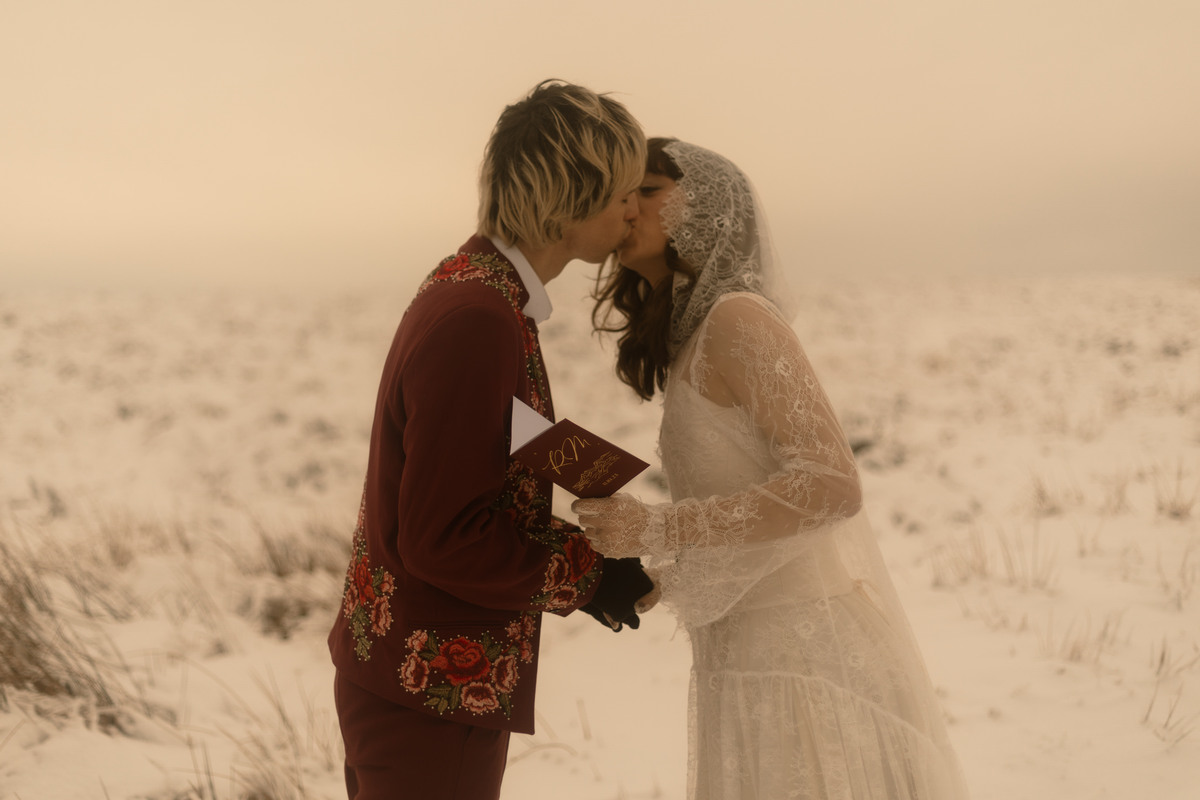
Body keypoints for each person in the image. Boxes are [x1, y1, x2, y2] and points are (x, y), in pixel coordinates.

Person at [574, 138, 969, 799]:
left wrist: (657, 530)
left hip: (807, 668)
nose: (627, 208)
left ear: (709, 209)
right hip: (746, 660)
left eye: (647, 190)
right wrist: (663, 579)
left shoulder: (737, 319)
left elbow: (831, 484)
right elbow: (751, 500)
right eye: (621, 193)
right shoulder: (690, 337)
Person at [327, 80, 656, 800]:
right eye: (624, 190)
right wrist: (590, 573)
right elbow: (444, 536)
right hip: (429, 695)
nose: (634, 208)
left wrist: (616, 493)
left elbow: (506, 430)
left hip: (413, 681)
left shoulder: (475, 284)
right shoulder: (480, 315)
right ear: (572, 194)